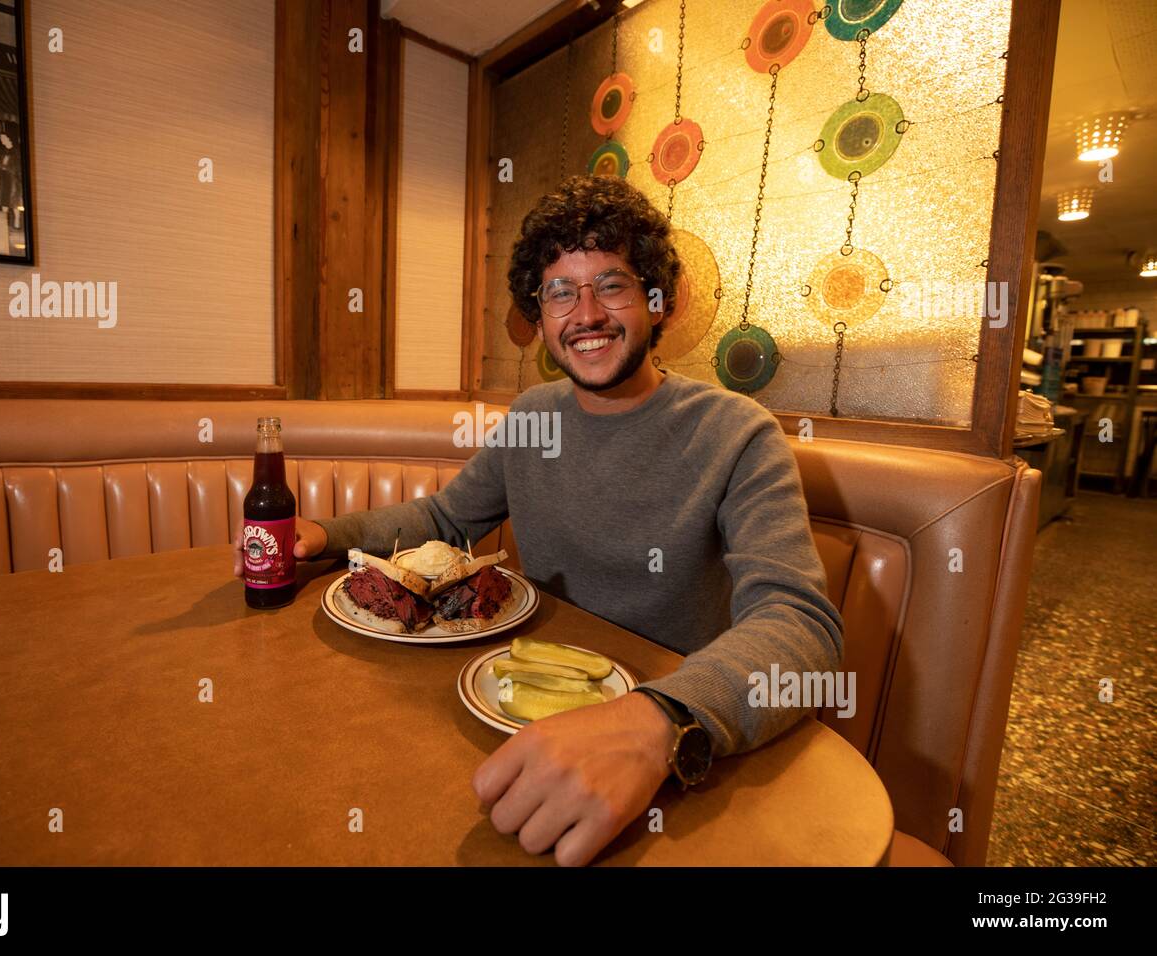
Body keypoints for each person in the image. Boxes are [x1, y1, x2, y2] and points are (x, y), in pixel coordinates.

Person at [234, 175, 843, 866]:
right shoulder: (532, 417)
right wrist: (327, 536)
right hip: (518, 703)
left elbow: (801, 623)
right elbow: (444, 518)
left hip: (673, 747)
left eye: (611, 286)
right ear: (541, 314)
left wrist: (659, 720)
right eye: (560, 292)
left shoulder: (737, 432)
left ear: (657, 302)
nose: (587, 314)